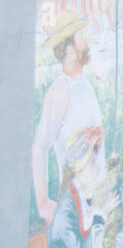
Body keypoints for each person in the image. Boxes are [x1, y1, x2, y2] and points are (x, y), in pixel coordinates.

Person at [32, 11, 103, 225]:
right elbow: (39, 146)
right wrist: (43, 203)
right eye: (81, 35)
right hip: (74, 208)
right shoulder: (60, 91)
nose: (87, 40)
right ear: (70, 51)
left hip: (94, 202)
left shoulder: (85, 84)